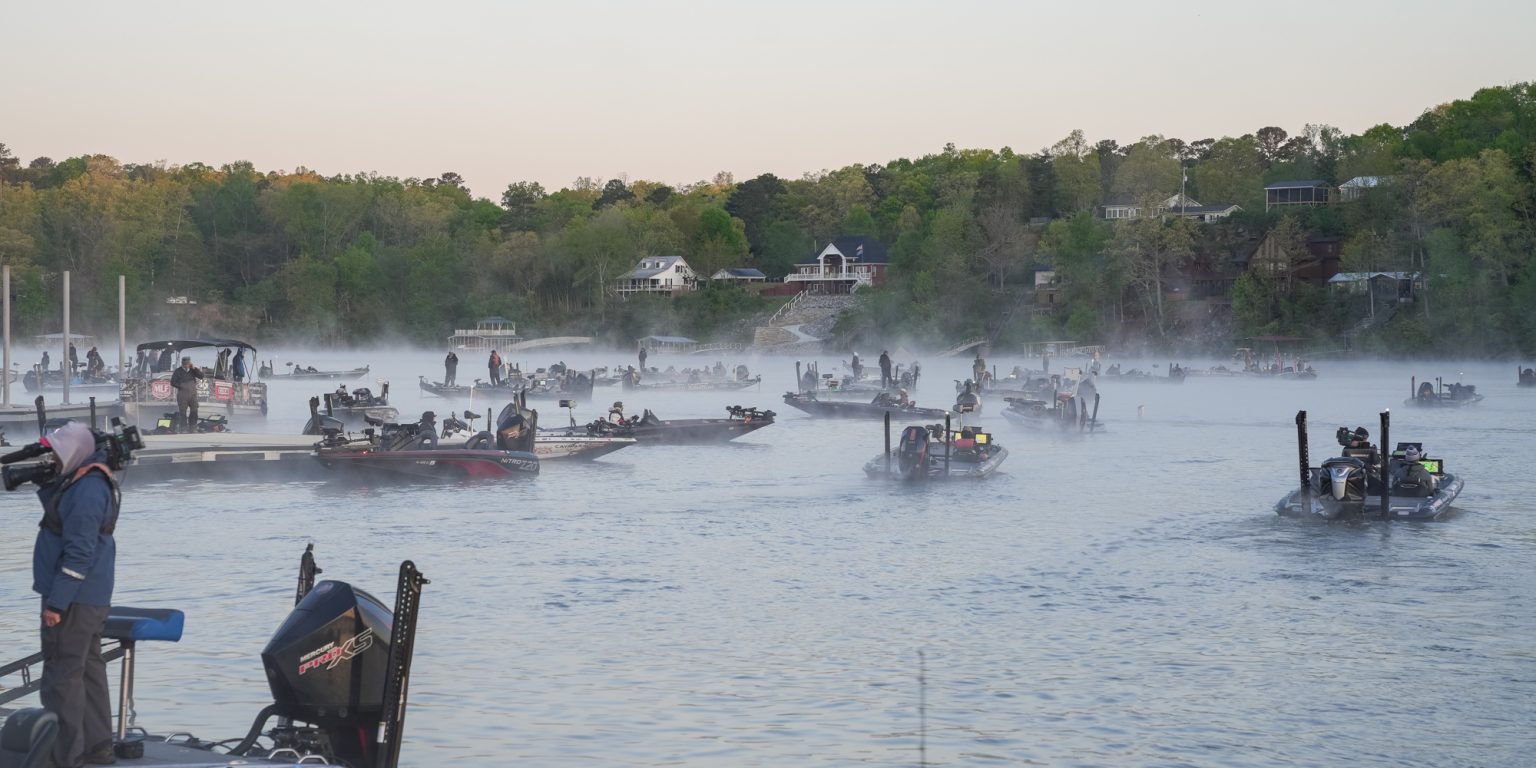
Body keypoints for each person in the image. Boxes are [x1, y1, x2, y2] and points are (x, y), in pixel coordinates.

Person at [33, 421, 119, 768]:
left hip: (73, 599)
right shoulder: (86, 481)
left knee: (62, 675)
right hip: (89, 597)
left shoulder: (87, 490)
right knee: (87, 670)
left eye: (57, 452)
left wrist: (57, 603)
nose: (52, 458)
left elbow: (79, 553)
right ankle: (98, 747)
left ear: (73, 451)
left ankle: (64, 756)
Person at [171, 356, 204, 432]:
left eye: (188, 364)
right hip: (182, 395)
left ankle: (193, 427)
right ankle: (183, 428)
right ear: (182, 364)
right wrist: (181, 385)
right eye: (185, 364)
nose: (186, 365)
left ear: (190, 363)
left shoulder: (193, 370)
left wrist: (194, 368)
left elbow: (201, 376)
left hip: (193, 394)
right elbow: (172, 382)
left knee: (194, 411)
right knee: (183, 412)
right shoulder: (178, 371)